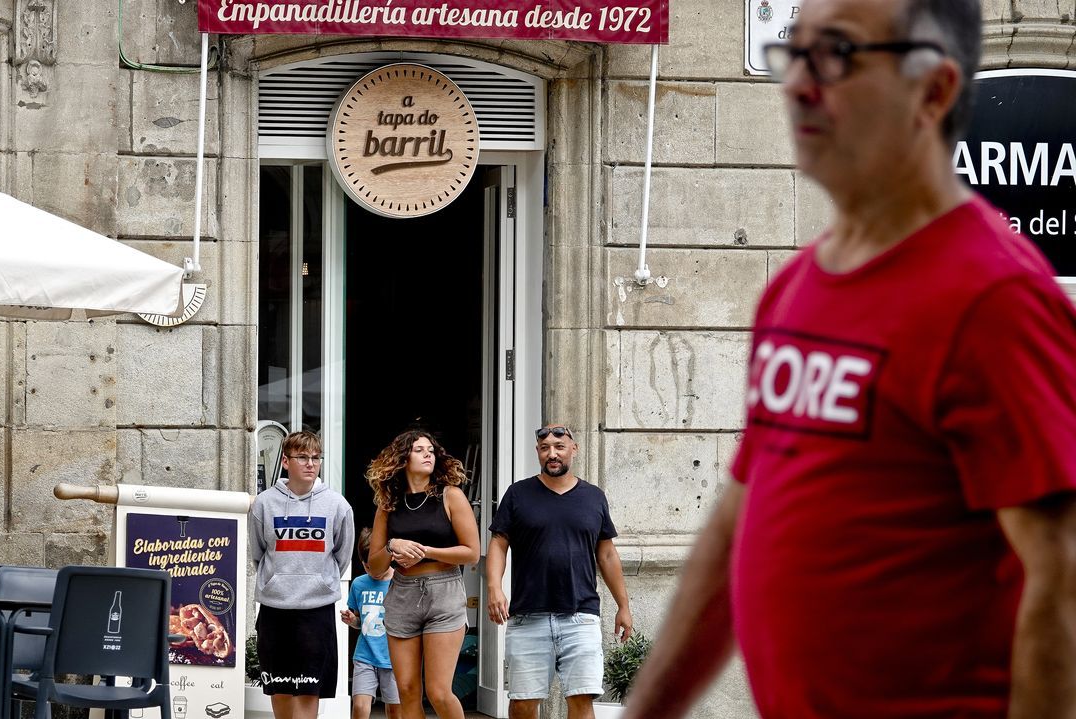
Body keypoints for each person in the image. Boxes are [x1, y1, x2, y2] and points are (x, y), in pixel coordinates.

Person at [623, 0, 1076, 717]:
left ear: (933, 90)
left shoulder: (995, 297)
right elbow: (735, 529)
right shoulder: (794, 288)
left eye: (836, 54)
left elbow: (1061, 580)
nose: (799, 84)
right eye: (793, 53)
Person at [485, 424, 633, 719]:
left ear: (573, 450)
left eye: (559, 447)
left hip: (581, 616)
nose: (552, 454)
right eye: (544, 449)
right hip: (528, 616)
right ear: (538, 453)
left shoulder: (594, 497)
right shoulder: (518, 494)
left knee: (581, 702)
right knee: (523, 704)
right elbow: (499, 544)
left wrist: (623, 606)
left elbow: (606, 554)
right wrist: (494, 586)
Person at [365, 430, 480, 719]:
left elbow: (472, 552)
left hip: (444, 591)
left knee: (439, 692)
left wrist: (426, 551)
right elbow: (376, 565)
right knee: (406, 689)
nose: (428, 454)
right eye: (419, 450)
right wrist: (392, 546)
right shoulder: (388, 504)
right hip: (402, 592)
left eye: (431, 449)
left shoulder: (450, 496)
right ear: (403, 459)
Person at [249, 430, 354, 719]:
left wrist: (318, 579)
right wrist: (277, 579)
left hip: (316, 610)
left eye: (316, 458)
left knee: (310, 689)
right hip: (274, 608)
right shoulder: (264, 503)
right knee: (279, 689)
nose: (310, 463)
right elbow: (258, 553)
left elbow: (342, 555)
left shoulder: (337, 505)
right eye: (303, 457)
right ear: (285, 461)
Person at [341, 527, 402, 719]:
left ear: (389, 557)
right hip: (365, 655)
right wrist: (353, 621)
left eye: (375, 564)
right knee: (359, 707)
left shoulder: (401, 582)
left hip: (393, 658)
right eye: (367, 566)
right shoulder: (359, 584)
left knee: (395, 710)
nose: (372, 570)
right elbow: (361, 622)